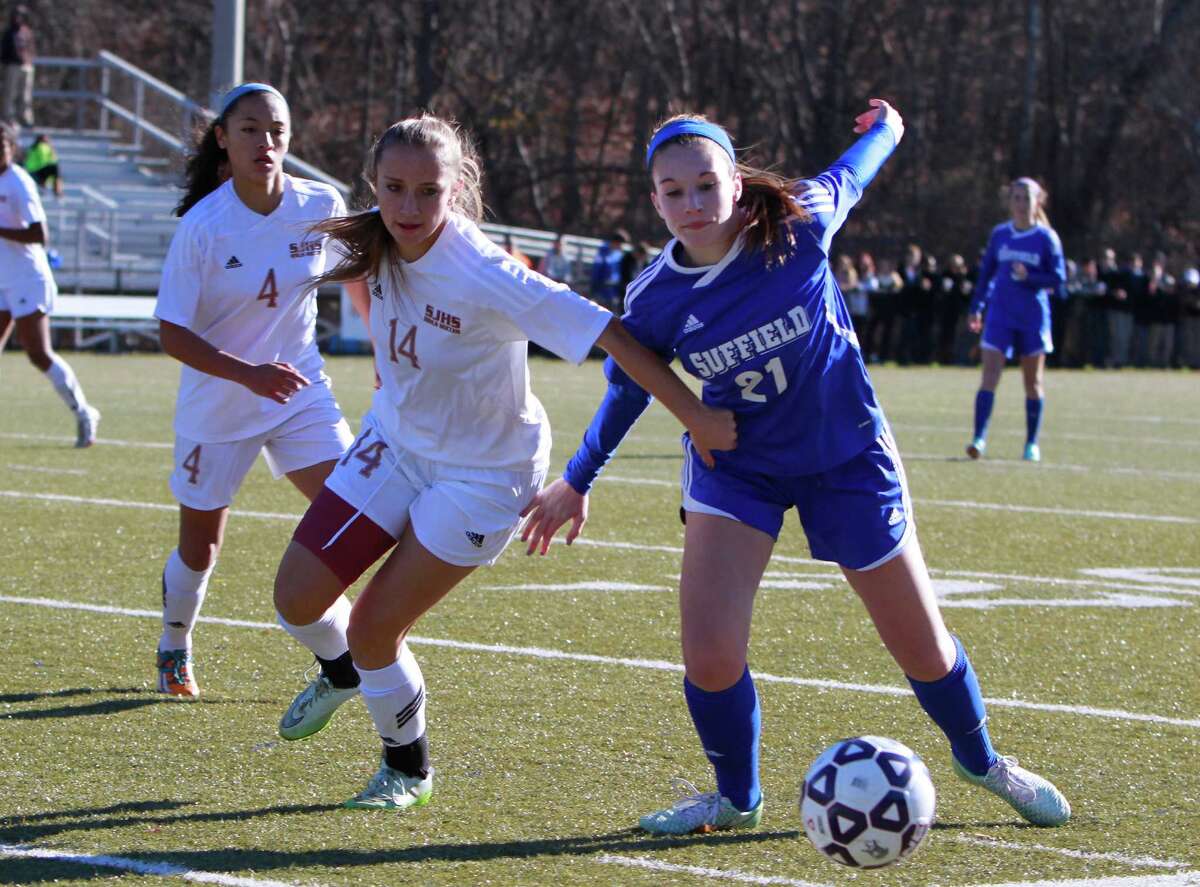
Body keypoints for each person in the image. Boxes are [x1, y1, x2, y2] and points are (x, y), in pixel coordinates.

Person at [521, 101, 1070, 834]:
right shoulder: (656, 294)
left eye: (705, 185)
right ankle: (737, 797)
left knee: (923, 646)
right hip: (737, 465)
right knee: (710, 651)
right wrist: (579, 477)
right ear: (653, 198)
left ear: (737, 185)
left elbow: (854, 172)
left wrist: (890, 128)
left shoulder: (799, 225)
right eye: (673, 191)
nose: (691, 204)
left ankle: (982, 760)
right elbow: (632, 383)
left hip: (845, 456)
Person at [269, 114, 735, 811]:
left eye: (428, 192)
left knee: (372, 629)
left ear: (455, 189)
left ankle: (407, 768)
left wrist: (694, 415)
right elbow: (375, 289)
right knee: (296, 598)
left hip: (483, 475)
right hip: (396, 442)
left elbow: (613, 334)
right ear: (375, 184)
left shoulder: (484, 269)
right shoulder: (378, 230)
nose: (408, 207)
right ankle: (342, 672)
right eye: (393, 188)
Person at [151, 83, 355, 700]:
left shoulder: (319, 202)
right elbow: (170, 333)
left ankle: (342, 659)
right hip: (219, 403)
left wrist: (385, 349)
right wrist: (248, 374)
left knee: (353, 512)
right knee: (200, 547)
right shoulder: (204, 226)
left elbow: (360, 268)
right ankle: (174, 644)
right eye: (249, 130)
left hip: (299, 390)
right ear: (223, 138)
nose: (265, 143)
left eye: (277, 131)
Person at [0, 122, 98, 446]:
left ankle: (84, 412)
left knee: (38, 354)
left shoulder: (18, 183)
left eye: (3, 145)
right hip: (3, 279)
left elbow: (39, 235)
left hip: (28, 278)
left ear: (12, 149)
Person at [965, 178, 1066, 463]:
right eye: (1017, 198)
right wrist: (976, 307)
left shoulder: (1047, 238)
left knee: (1033, 383)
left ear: (1038, 202)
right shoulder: (1000, 235)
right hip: (1000, 316)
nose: (1021, 204)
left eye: (1027, 199)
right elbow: (986, 275)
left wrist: (1030, 278)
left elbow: (1059, 280)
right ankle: (978, 439)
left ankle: (1031, 443)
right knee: (989, 377)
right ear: (1009, 202)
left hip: (1032, 317)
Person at [0, 4, 33, 127]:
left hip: (26, 66)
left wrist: (29, 61)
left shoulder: (26, 32)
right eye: (16, 16)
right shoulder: (9, 33)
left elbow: (31, 48)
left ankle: (25, 118)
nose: (18, 18)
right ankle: (8, 118)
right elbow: (4, 50)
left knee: (25, 94)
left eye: (20, 16)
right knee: (10, 94)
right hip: (12, 66)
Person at [590, 229, 627, 311]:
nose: (621, 247)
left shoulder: (618, 253)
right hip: (602, 288)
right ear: (615, 242)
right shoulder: (603, 252)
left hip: (613, 290)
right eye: (620, 244)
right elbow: (597, 271)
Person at [23, 133, 60, 197]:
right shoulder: (43, 147)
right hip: (36, 172)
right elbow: (51, 160)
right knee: (54, 168)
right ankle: (56, 190)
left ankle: (47, 187)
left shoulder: (32, 148)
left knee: (54, 169)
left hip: (33, 171)